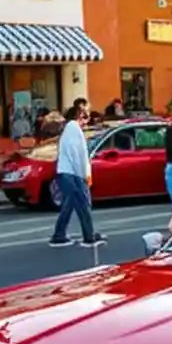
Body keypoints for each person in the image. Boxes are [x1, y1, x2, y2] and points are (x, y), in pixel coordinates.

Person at [49, 106, 102, 247]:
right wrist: (84, 175)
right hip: (72, 173)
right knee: (83, 205)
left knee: (69, 205)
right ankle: (89, 236)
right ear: (78, 116)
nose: (86, 121)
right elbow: (79, 155)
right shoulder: (74, 129)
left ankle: (59, 234)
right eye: (85, 117)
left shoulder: (69, 129)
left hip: (66, 172)